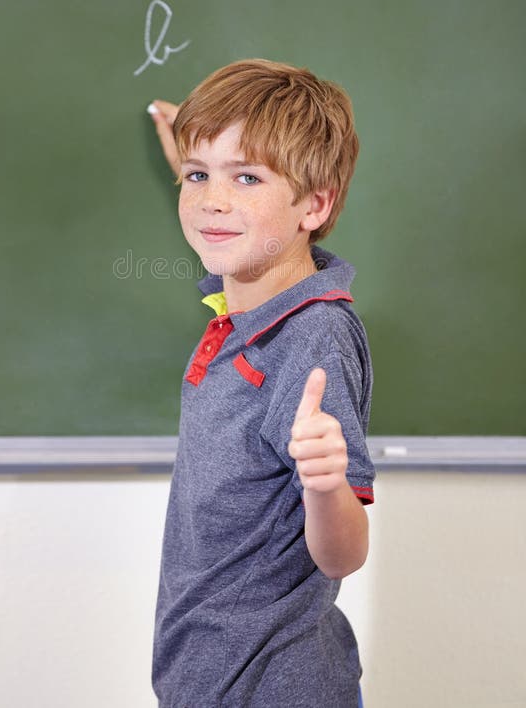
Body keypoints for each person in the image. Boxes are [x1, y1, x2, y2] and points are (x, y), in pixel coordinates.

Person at [147, 59, 375, 707]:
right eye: (195, 178)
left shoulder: (311, 336)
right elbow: (227, 227)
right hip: (206, 675)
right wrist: (208, 162)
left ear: (317, 203)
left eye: (248, 177)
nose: (212, 200)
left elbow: (342, 555)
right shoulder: (244, 305)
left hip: (270, 686)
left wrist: (328, 483)